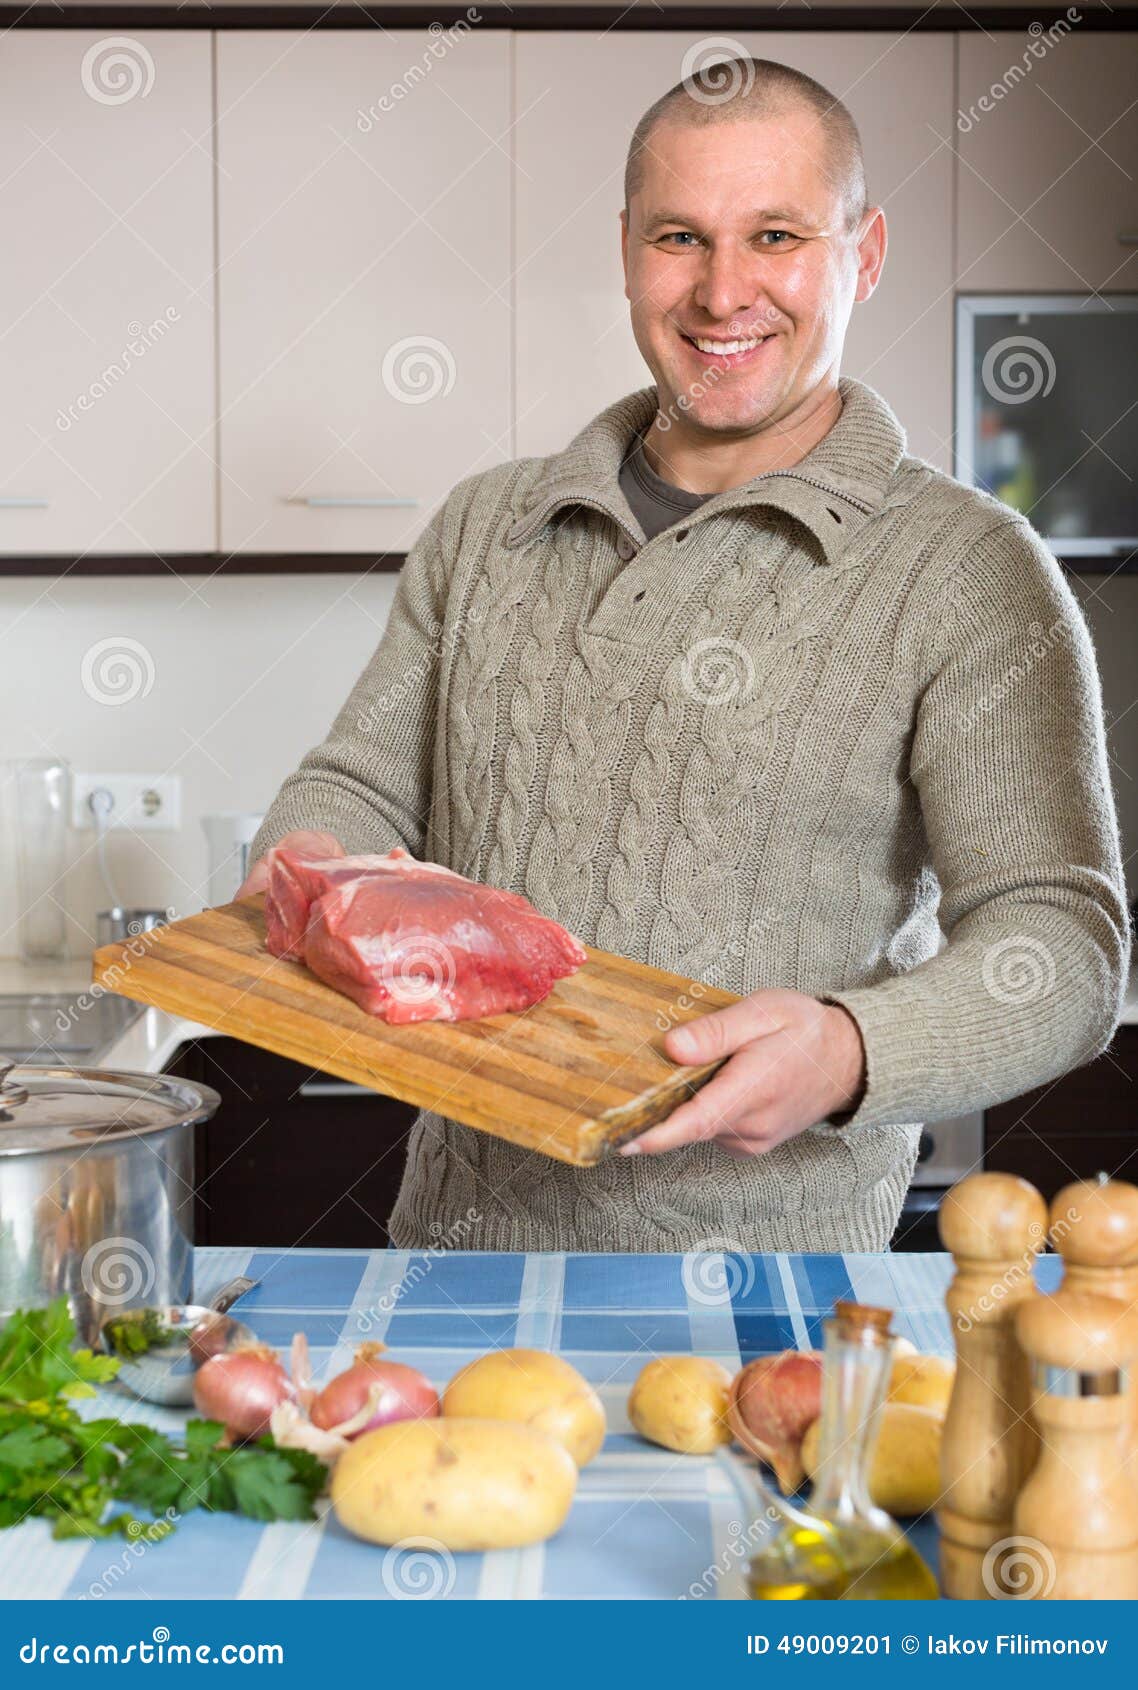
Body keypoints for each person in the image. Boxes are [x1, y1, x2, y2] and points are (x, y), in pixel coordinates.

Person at [240, 58, 1129, 1254]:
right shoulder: (486, 526)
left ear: (860, 256)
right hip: (451, 1268)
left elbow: (1063, 946)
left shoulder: (967, 571)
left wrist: (852, 1049)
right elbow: (357, 784)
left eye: (775, 236)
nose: (722, 292)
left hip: (769, 1300)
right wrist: (303, 861)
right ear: (624, 252)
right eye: (679, 237)